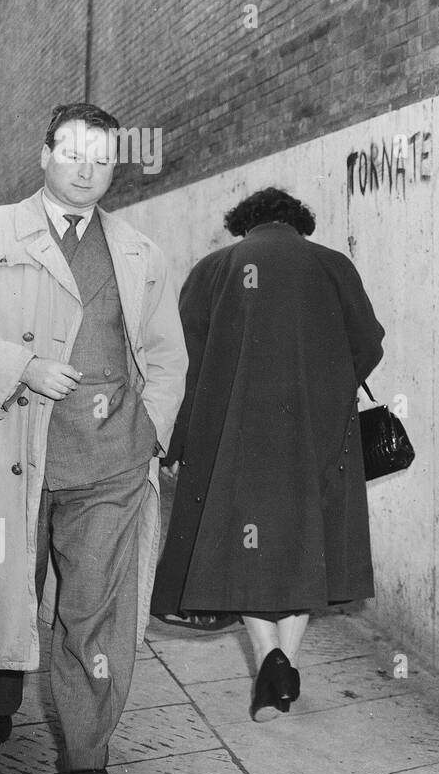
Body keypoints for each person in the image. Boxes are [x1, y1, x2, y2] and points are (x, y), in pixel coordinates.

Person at [0, 103, 188, 774]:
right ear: (45, 156)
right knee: (6, 592)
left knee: (93, 618)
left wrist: (148, 429)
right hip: (12, 454)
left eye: (100, 157)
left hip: (110, 467)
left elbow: (165, 353)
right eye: (73, 153)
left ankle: (88, 758)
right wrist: (22, 368)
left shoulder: (139, 253)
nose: (87, 168)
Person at [152, 186, 384, 721]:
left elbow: (184, 359)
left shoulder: (214, 269)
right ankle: (287, 659)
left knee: (247, 545)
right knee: (305, 540)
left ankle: (268, 656)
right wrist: (326, 383)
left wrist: (178, 440)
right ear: (298, 223)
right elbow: (367, 343)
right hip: (314, 430)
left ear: (243, 223)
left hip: (231, 433)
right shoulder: (331, 265)